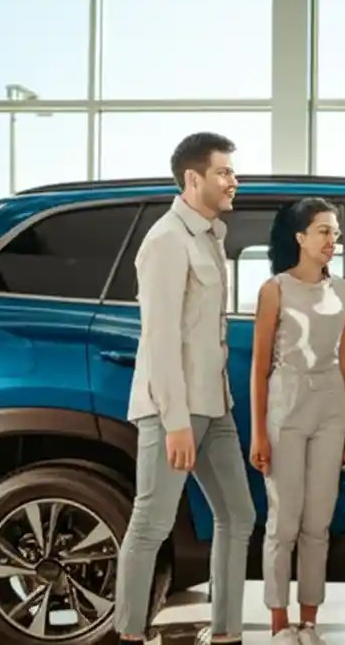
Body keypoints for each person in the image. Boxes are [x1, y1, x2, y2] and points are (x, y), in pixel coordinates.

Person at [115, 132, 257, 645]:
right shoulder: (166, 241)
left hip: (215, 405)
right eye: (224, 172)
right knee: (151, 525)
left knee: (238, 515)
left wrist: (214, 407)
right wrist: (174, 421)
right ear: (193, 178)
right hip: (171, 410)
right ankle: (128, 635)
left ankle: (226, 634)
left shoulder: (209, 236)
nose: (233, 180)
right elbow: (159, 338)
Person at [248, 197, 345, 645]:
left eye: (335, 233)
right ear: (300, 237)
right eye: (324, 232)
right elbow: (258, 366)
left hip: (331, 406)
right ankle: (279, 624)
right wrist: (258, 431)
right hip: (285, 405)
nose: (333, 241)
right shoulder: (274, 289)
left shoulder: (344, 291)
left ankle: (309, 622)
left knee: (319, 522)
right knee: (284, 521)